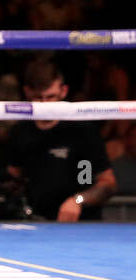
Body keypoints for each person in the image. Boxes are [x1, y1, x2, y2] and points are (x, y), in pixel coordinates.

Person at [7, 60, 116, 221]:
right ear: (27, 92)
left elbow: (108, 184)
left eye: (50, 97)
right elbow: (15, 177)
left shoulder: (82, 130)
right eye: (38, 98)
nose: (44, 104)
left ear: (63, 91)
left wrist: (78, 201)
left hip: (82, 224)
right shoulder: (20, 131)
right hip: (37, 224)